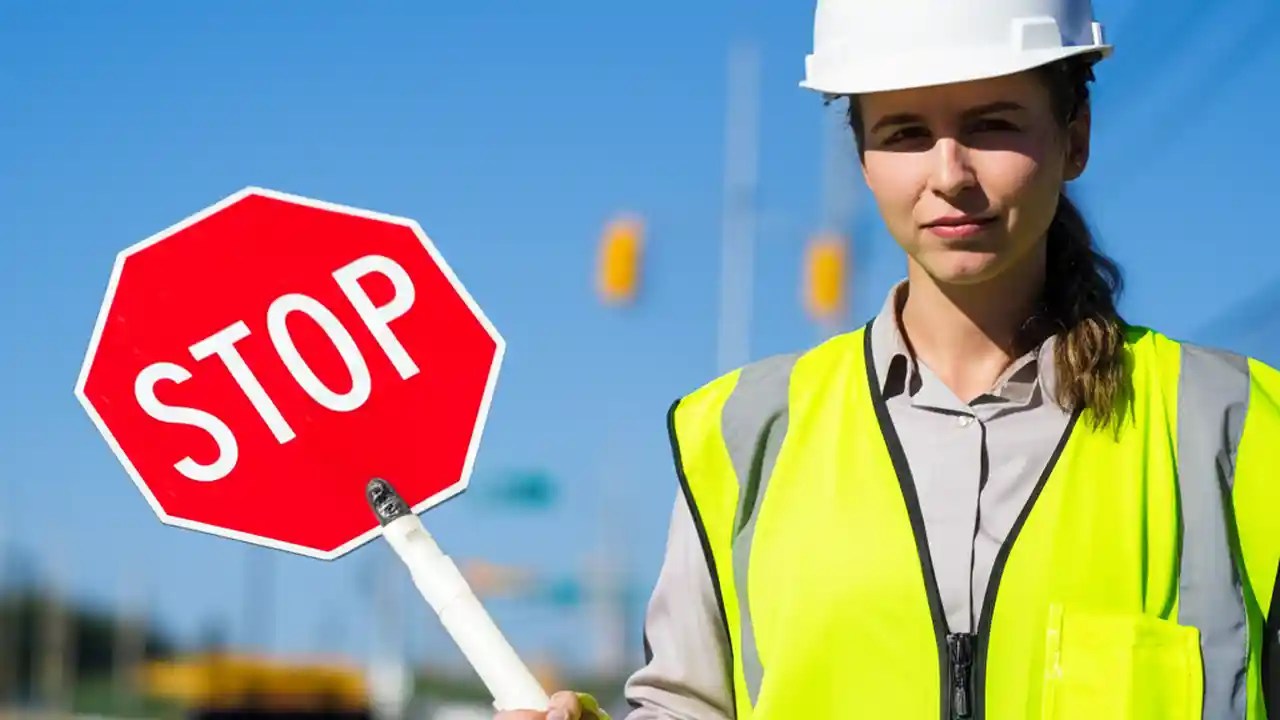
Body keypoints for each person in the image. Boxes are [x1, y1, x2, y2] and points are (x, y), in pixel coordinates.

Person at [499, 0, 1280, 717]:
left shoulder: (1240, 428)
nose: (950, 175)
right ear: (862, 155)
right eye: (906, 132)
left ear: (1074, 136)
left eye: (993, 124)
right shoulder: (742, 437)